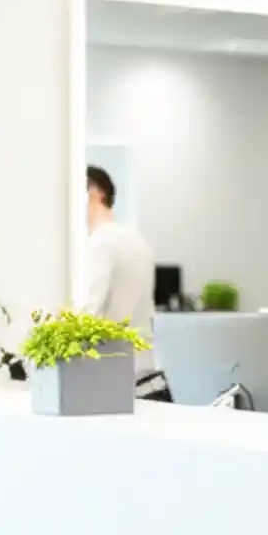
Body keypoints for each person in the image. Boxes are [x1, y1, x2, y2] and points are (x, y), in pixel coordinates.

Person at [84, 166, 160, 388]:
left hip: (110, 376)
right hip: (144, 372)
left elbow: (91, 311)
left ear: (96, 195)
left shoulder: (100, 242)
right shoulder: (137, 240)